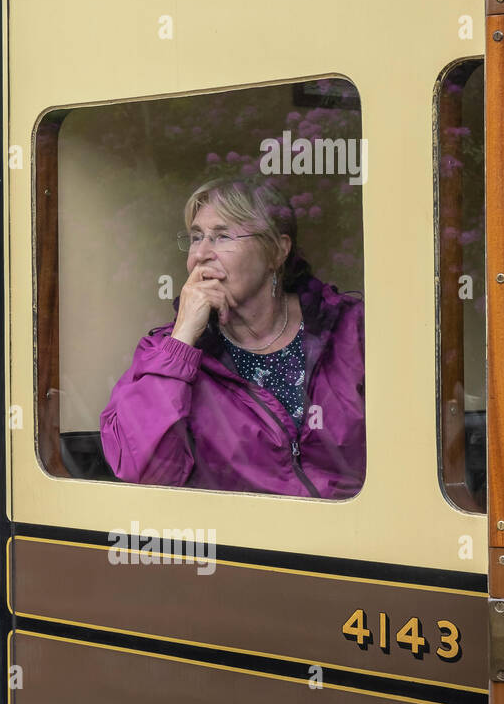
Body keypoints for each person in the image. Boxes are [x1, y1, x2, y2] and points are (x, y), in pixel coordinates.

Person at [100, 177, 365, 499]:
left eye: (222, 236)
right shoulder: (165, 353)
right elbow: (143, 472)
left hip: (354, 541)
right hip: (237, 544)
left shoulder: (352, 329)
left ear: (277, 252)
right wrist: (182, 339)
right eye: (196, 238)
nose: (201, 254)